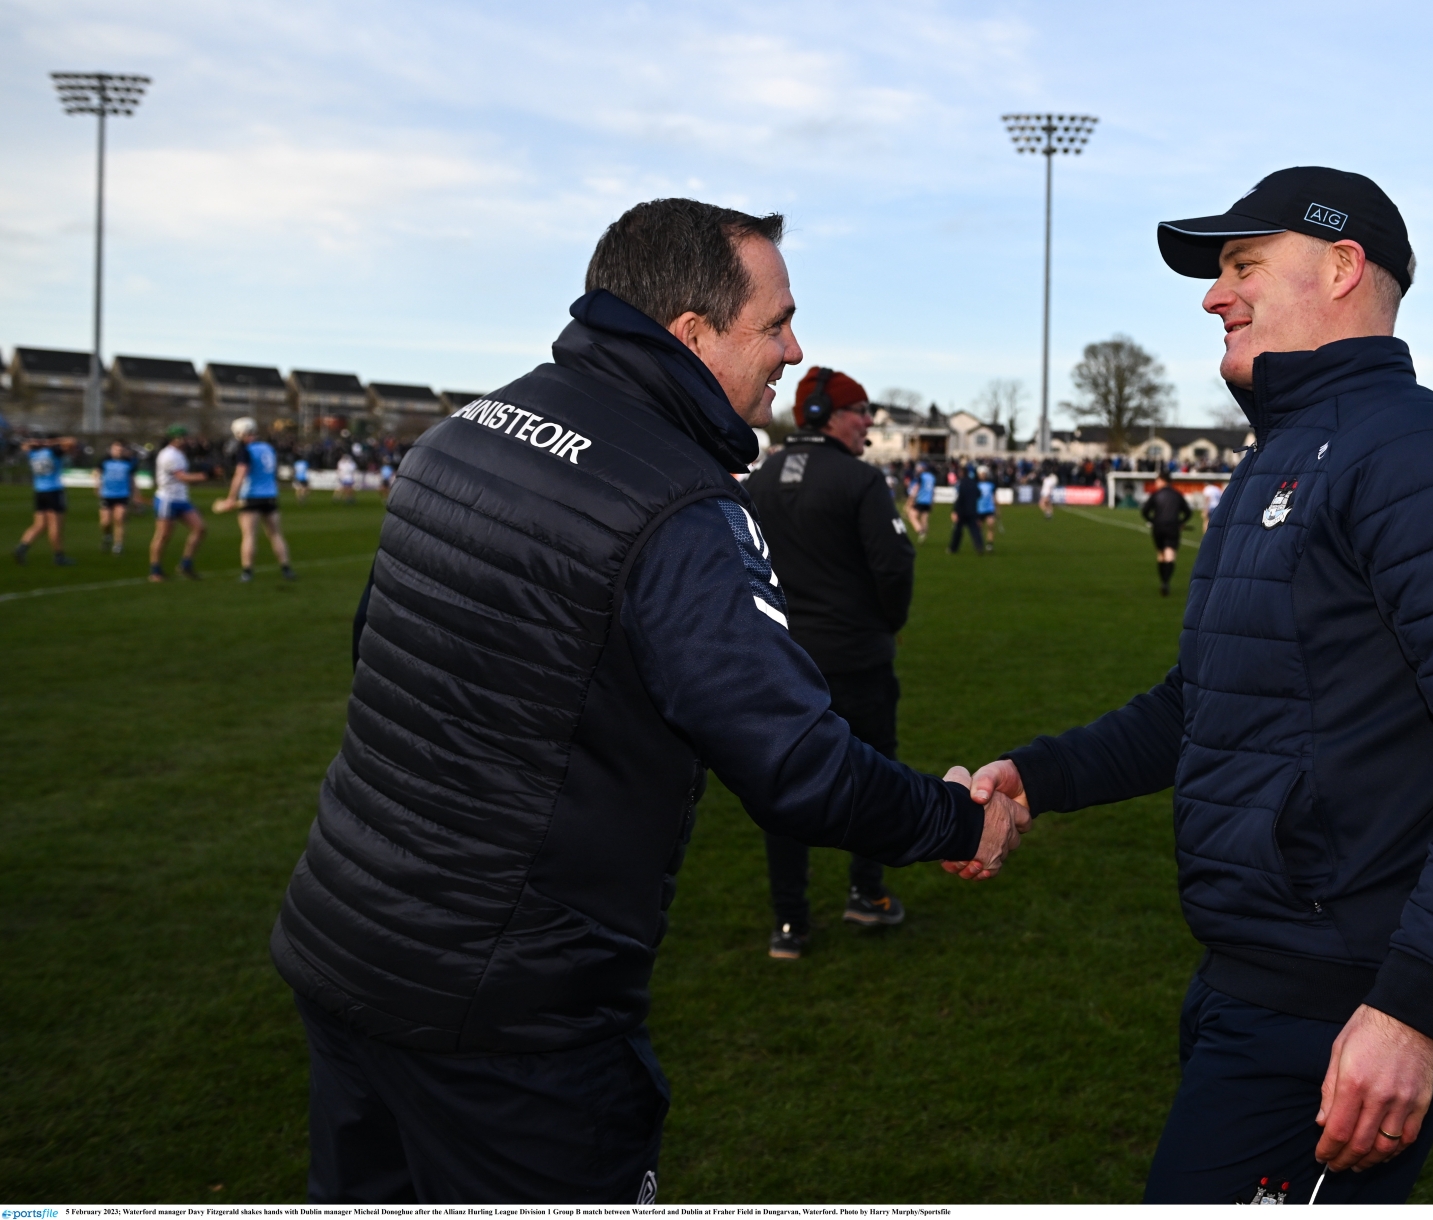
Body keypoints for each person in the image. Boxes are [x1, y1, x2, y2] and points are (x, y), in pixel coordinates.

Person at [269, 197, 1025, 1205]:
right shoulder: (674, 500)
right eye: (776, 323)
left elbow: (377, 648)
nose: (795, 350)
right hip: (506, 1004)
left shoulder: (463, 431)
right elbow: (793, 763)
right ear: (692, 333)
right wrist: (958, 819)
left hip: (343, 936)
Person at [962, 167, 1433, 1204]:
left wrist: (1414, 1007)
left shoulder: (1421, 453)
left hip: (1344, 1005)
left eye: (1244, 265)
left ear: (1342, 267)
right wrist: (1039, 775)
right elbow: (1209, 701)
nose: (1216, 294)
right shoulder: (1281, 456)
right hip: (1251, 979)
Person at [745, 365, 918, 958]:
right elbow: (894, 566)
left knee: (785, 786)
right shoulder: (860, 479)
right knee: (872, 778)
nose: (868, 422)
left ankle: (789, 922)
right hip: (856, 659)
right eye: (861, 411)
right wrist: (887, 623)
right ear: (829, 416)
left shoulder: (760, 479)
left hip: (782, 663)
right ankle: (866, 893)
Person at [214, 418, 295, 582]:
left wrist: (231, 498)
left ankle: (247, 572)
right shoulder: (268, 448)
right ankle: (286, 569)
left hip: (251, 496)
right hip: (270, 496)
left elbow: (240, 475)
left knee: (249, 535)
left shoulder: (246, 450)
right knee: (276, 534)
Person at [150, 428, 208, 581]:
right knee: (163, 535)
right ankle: (155, 570)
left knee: (200, 528)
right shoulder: (169, 455)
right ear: (176, 438)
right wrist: (205, 476)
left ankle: (185, 564)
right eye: (185, 437)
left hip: (181, 498)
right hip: (167, 499)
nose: (188, 440)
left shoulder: (179, 453)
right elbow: (182, 477)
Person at [15, 436, 78, 567]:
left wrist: (36, 443)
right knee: (55, 526)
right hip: (54, 490)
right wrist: (51, 442)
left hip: (39, 491)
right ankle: (59, 556)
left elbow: (24, 446)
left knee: (39, 524)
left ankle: (22, 548)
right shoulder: (52, 451)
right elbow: (72, 441)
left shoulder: (33, 453)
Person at [1141, 473, 1192, 596]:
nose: (1156, 483)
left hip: (1158, 527)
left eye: (1157, 480)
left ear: (1163, 481)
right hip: (1173, 527)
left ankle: (1163, 581)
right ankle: (1166, 582)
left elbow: (1145, 511)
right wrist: (1181, 522)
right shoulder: (1177, 494)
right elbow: (1188, 512)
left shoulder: (1156, 494)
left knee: (1161, 554)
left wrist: (1152, 521)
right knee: (1170, 554)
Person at [95, 440, 143, 554]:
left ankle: (118, 545)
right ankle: (107, 536)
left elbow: (132, 480)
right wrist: (98, 486)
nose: (118, 451)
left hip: (122, 495)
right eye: (116, 449)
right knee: (105, 522)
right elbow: (97, 473)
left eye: (121, 449)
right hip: (107, 494)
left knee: (120, 519)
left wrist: (136, 495)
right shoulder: (104, 461)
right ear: (111, 449)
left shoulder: (129, 463)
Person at [948, 464, 985, 554]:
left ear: (961, 473)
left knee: (958, 530)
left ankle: (953, 548)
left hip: (962, 511)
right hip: (972, 510)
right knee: (975, 530)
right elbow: (979, 494)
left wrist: (955, 510)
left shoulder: (961, 483)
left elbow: (960, 498)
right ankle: (979, 546)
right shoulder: (973, 482)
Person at [907, 460, 935, 541]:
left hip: (921, 499)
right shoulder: (932, 477)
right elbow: (933, 490)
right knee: (924, 518)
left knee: (911, 515)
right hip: (928, 500)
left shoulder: (921, 476)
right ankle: (923, 535)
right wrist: (932, 501)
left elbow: (917, 488)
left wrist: (911, 499)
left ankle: (920, 531)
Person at [977, 465, 999, 551]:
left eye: (984, 474)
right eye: (981, 474)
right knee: (979, 528)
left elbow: (994, 497)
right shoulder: (976, 485)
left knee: (990, 526)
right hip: (979, 509)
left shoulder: (991, 485)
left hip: (989, 509)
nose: (982, 475)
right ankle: (980, 544)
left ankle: (990, 544)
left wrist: (997, 508)